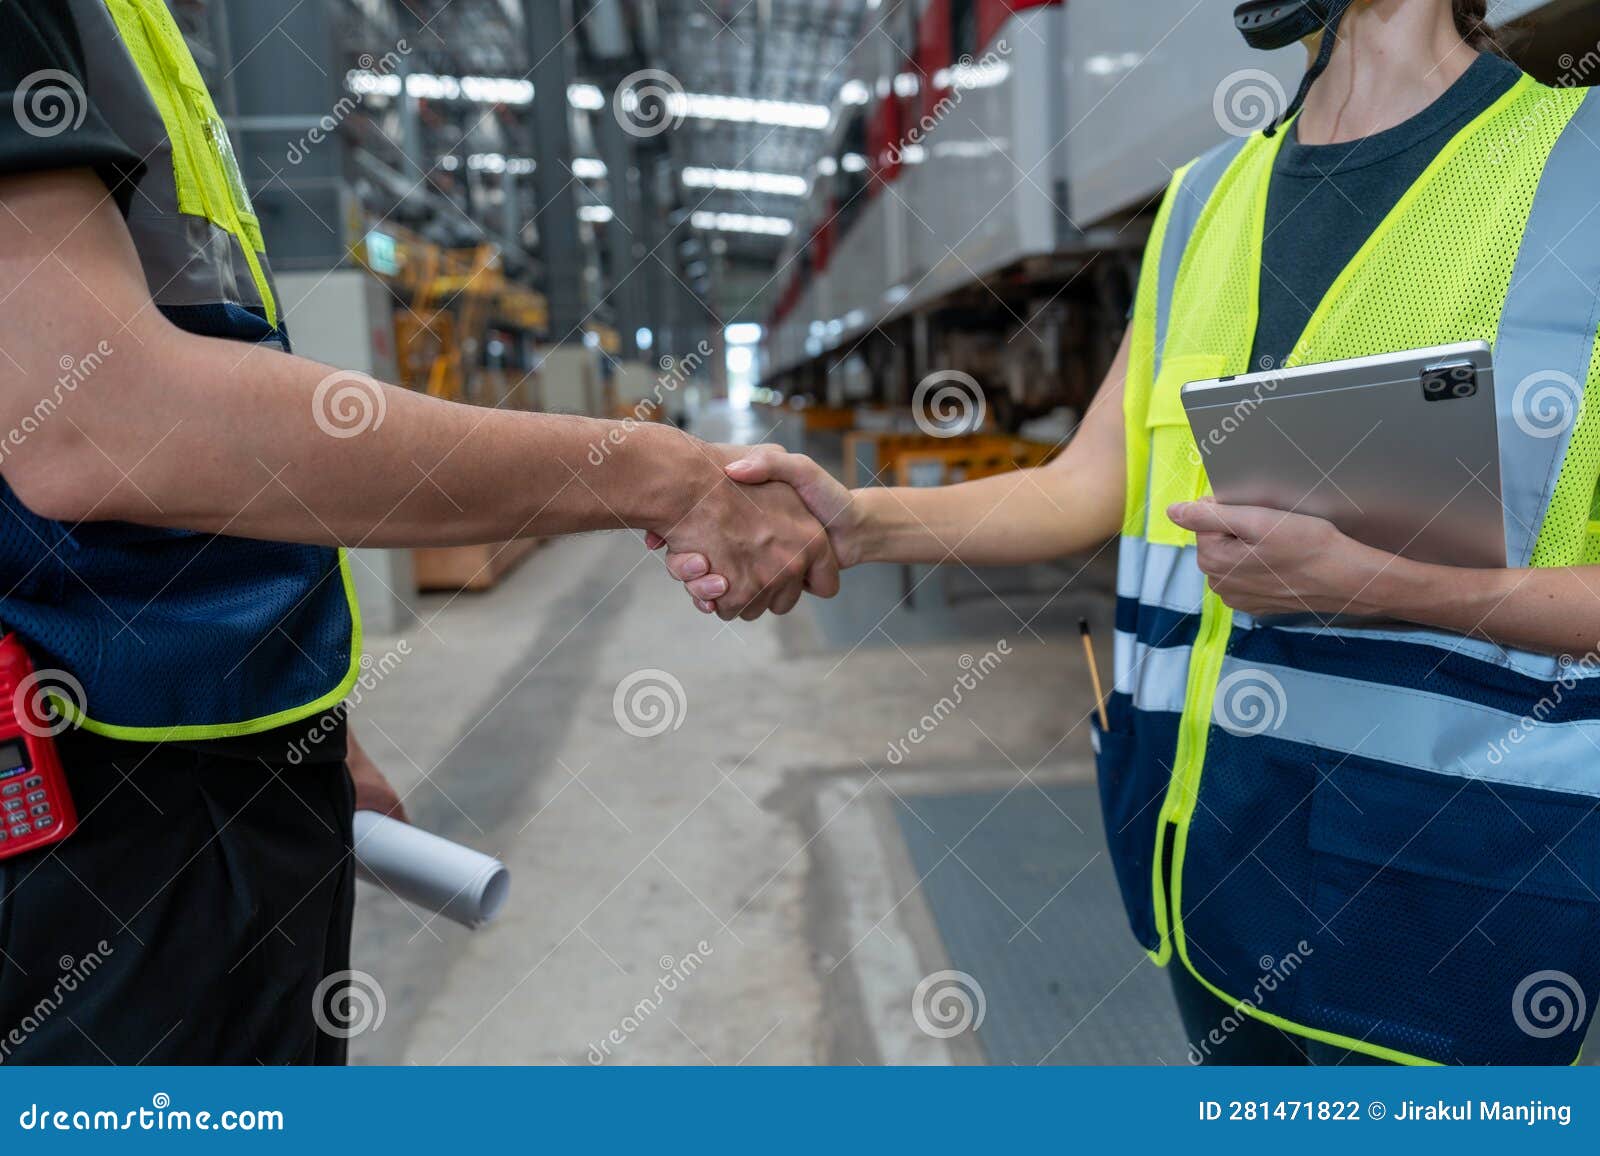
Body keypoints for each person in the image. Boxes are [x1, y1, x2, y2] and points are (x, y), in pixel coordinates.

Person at [670, 0, 1600, 1065]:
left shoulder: (1582, 173)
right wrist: (858, 520)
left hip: (1443, 912)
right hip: (1207, 885)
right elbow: (1084, 486)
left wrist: (1396, 587)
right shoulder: (1205, 201)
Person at [0, 0, 834, 1063]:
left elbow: (193, 461)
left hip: (204, 769)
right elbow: (95, 424)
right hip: (75, 818)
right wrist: (655, 472)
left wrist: (298, 730)